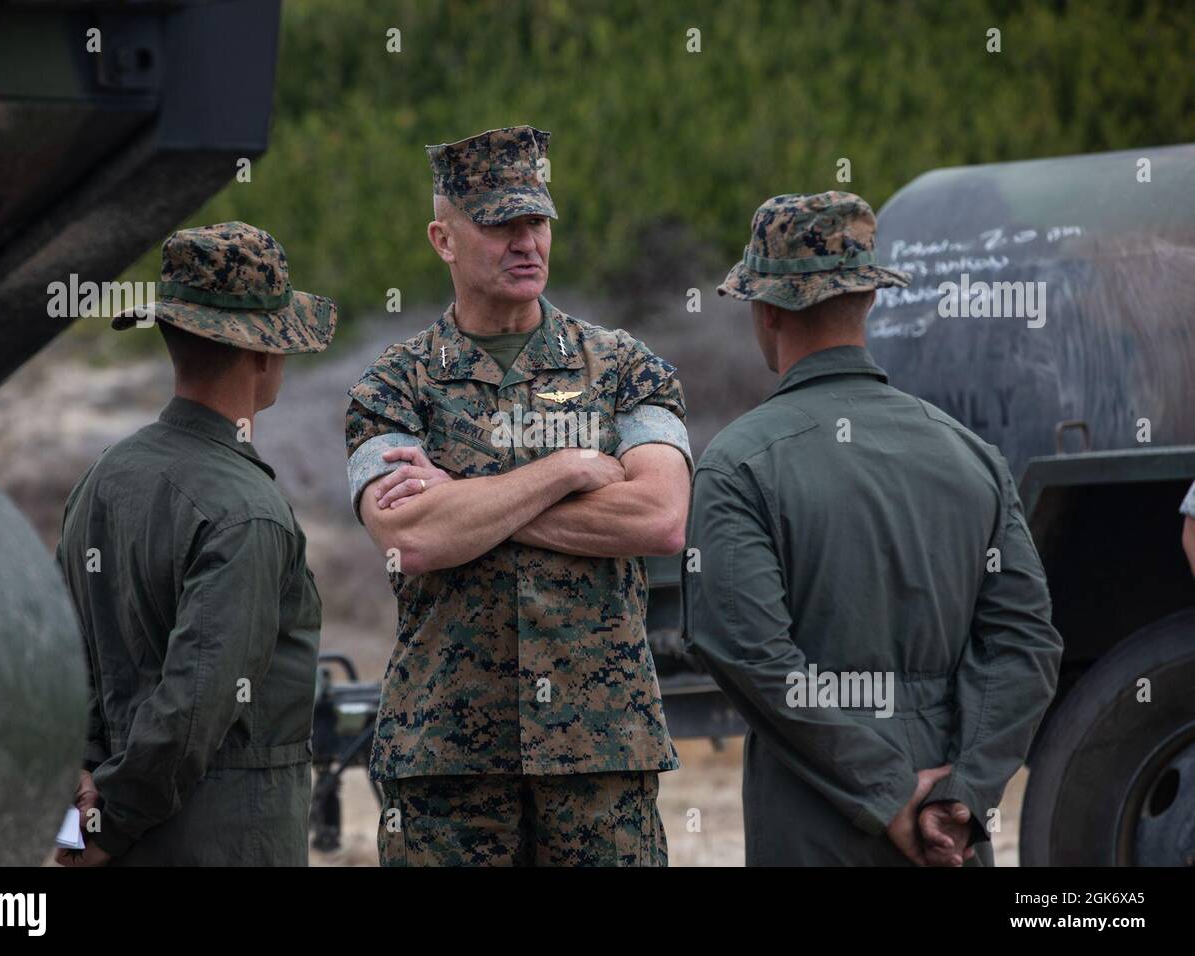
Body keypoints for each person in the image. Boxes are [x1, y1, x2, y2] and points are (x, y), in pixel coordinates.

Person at [344, 125, 693, 866]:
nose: (526, 241)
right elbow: (413, 539)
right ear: (443, 239)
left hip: (598, 751)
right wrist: (566, 470)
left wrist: (468, 501)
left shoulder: (629, 368)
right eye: (500, 224)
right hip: (447, 759)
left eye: (537, 221)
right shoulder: (392, 387)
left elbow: (659, 518)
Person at [683, 191, 1063, 866]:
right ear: (871, 299)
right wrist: (961, 795)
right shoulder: (972, 457)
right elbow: (1026, 644)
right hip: (947, 835)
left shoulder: (739, 464)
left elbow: (747, 652)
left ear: (766, 310)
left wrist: (886, 796)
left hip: (816, 823)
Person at [55, 222, 334, 865]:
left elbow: (63, 658)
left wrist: (80, 798)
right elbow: (196, 704)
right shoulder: (250, 513)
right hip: (220, 841)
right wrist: (112, 823)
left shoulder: (101, 479)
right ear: (264, 352)